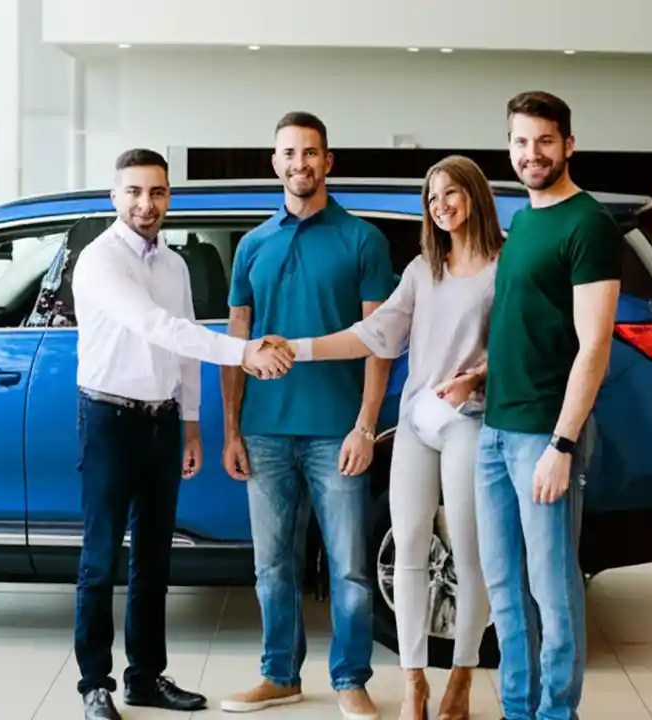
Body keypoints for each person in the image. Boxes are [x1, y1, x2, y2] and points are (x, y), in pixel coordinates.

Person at [70, 148, 296, 720]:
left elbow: (184, 346)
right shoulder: (101, 261)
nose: (147, 204)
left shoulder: (173, 265)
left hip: (162, 422)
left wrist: (191, 421)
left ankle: (144, 678)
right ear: (114, 196)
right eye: (135, 192)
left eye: (158, 192)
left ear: (169, 196)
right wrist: (244, 352)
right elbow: (155, 326)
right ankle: (94, 682)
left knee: (154, 559)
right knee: (100, 559)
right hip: (109, 418)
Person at [282, 155, 504, 720]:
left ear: (475, 195)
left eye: (451, 193)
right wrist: (299, 348)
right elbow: (376, 333)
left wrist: (477, 376)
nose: (441, 205)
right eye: (432, 198)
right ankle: (413, 681)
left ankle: (460, 677)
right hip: (417, 420)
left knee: (467, 553)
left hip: (470, 421)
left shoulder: (504, 268)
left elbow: (522, 351)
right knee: (408, 546)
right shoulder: (422, 269)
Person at [219, 112, 396, 720]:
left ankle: (350, 679)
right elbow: (235, 341)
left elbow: (380, 340)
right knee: (272, 566)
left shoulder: (362, 240)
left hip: (336, 432)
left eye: (311, 152)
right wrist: (232, 429)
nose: (301, 163)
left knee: (348, 568)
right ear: (275, 163)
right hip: (265, 432)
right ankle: (279, 675)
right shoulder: (252, 244)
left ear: (329, 161)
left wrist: (365, 425)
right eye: (289, 153)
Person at [476, 91, 622, 720]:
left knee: (552, 591)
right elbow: (533, 325)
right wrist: (479, 373)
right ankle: (517, 709)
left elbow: (593, 348)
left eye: (543, 141)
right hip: (494, 429)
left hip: (543, 436)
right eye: (520, 142)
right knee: (504, 592)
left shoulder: (587, 223)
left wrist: (563, 445)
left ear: (568, 144)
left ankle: (556, 712)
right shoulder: (524, 218)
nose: (530, 154)